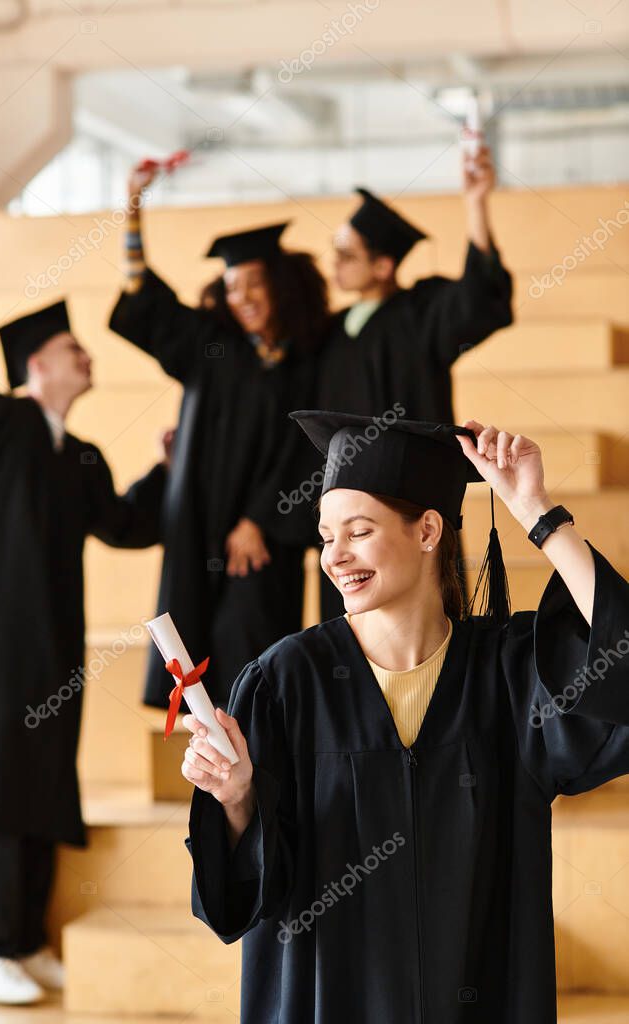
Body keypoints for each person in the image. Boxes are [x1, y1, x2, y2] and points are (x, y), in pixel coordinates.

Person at [179, 410, 628, 1024]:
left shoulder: (511, 674)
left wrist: (537, 512)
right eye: (326, 537)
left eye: (359, 532)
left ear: (428, 531)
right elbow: (242, 898)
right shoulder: (285, 683)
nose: (335, 557)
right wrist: (236, 800)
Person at [0, 300, 167, 1006]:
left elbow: (126, 524)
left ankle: (27, 943)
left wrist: (167, 468)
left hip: (52, 645)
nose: (87, 355)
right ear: (36, 363)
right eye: (74, 347)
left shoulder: (80, 454)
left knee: (42, 775)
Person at [108, 163, 328, 712]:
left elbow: (309, 452)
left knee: (255, 666)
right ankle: (213, 764)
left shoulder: (311, 360)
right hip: (201, 533)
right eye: (232, 287)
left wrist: (259, 519)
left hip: (263, 543)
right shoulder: (210, 347)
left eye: (254, 284)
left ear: (280, 286)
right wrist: (132, 204)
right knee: (197, 667)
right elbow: (142, 292)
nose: (242, 297)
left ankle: (259, 763)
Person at [317, 144, 513, 618]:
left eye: (346, 254)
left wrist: (475, 204)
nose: (334, 263)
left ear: (383, 266)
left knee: (428, 615)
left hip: (411, 498)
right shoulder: (330, 332)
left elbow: (477, 300)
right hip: (347, 503)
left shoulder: (420, 313)